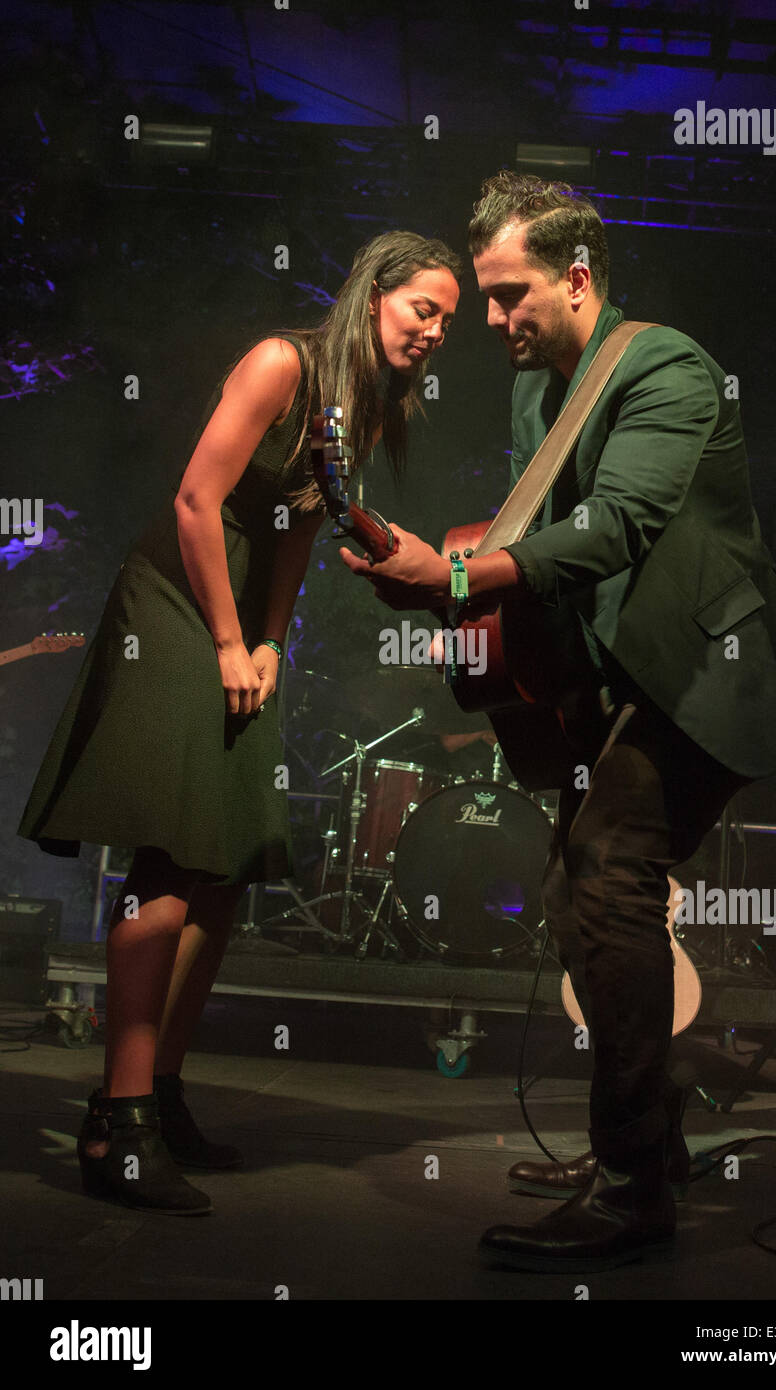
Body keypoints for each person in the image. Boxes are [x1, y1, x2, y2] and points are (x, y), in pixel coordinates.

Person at [340, 171, 776, 1272]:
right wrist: (448, 588)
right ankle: (647, 1134)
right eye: (484, 298)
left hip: (708, 674)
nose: (493, 320)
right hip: (622, 679)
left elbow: (614, 529)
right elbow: (538, 538)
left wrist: (456, 580)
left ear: (576, 275)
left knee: (606, 874)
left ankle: (632, 1183)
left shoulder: (664, 367)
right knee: (575, 886)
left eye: (510, 296)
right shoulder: (531, 389)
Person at [18, 230, 461, 1216]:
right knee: (169, 853)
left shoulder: (367, 413)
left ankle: (158, 1092)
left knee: (220, 863)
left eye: (447, 321)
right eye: (422, 308)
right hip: (175, 604)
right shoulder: (280, 362)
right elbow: (194, 498)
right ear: (373, 294)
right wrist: (225, 637)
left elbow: (299, 527)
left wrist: (271, 639)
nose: (435, 332)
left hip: (236, 619)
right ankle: (115, 1119)